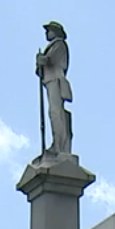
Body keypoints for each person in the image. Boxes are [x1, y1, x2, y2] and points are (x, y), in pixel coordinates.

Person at [36, 21, 73, 155]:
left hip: (56, 80)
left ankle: (59, 144)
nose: (47, 33)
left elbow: (50, 60)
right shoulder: (54, 45)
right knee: (53, 112)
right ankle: (56, 142)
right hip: (50, 80)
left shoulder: (59, 44)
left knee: (56, 112)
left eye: (49, 30)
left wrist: (42, 59)